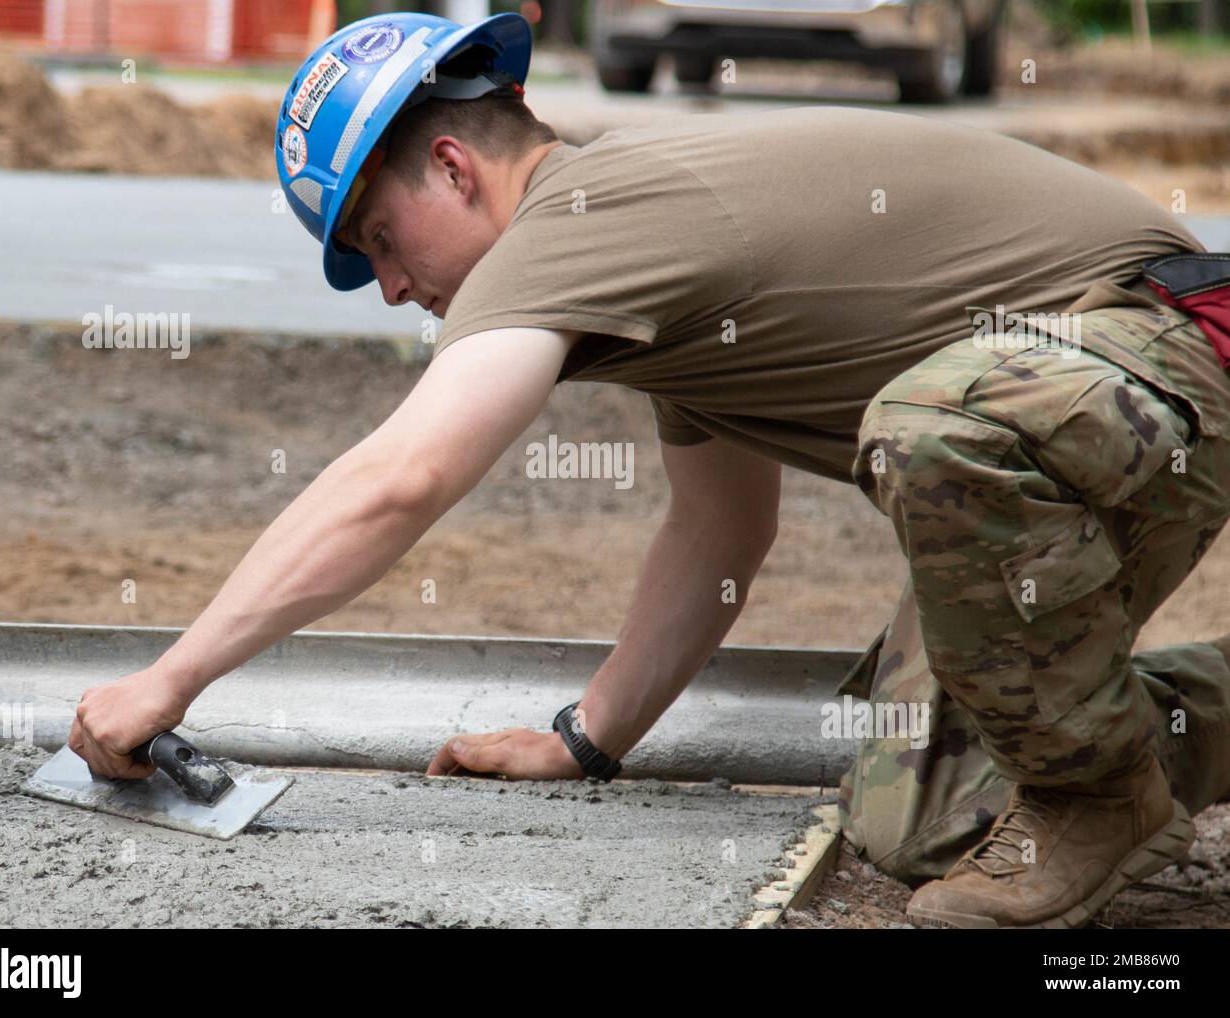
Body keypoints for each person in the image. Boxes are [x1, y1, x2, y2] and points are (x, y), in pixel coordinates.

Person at [67, 11, 1230, 928]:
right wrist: (589, 740)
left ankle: (1092, 795)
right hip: (1088, 406)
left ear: (455, 168)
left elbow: (400, 478)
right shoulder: (647, 256)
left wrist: (167, 682)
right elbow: (718, 539)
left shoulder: (575, 222)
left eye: (378, 238)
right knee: (917, 817)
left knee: (930, 428)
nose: (389, 287)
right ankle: (1121, 758)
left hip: (1169, 339)